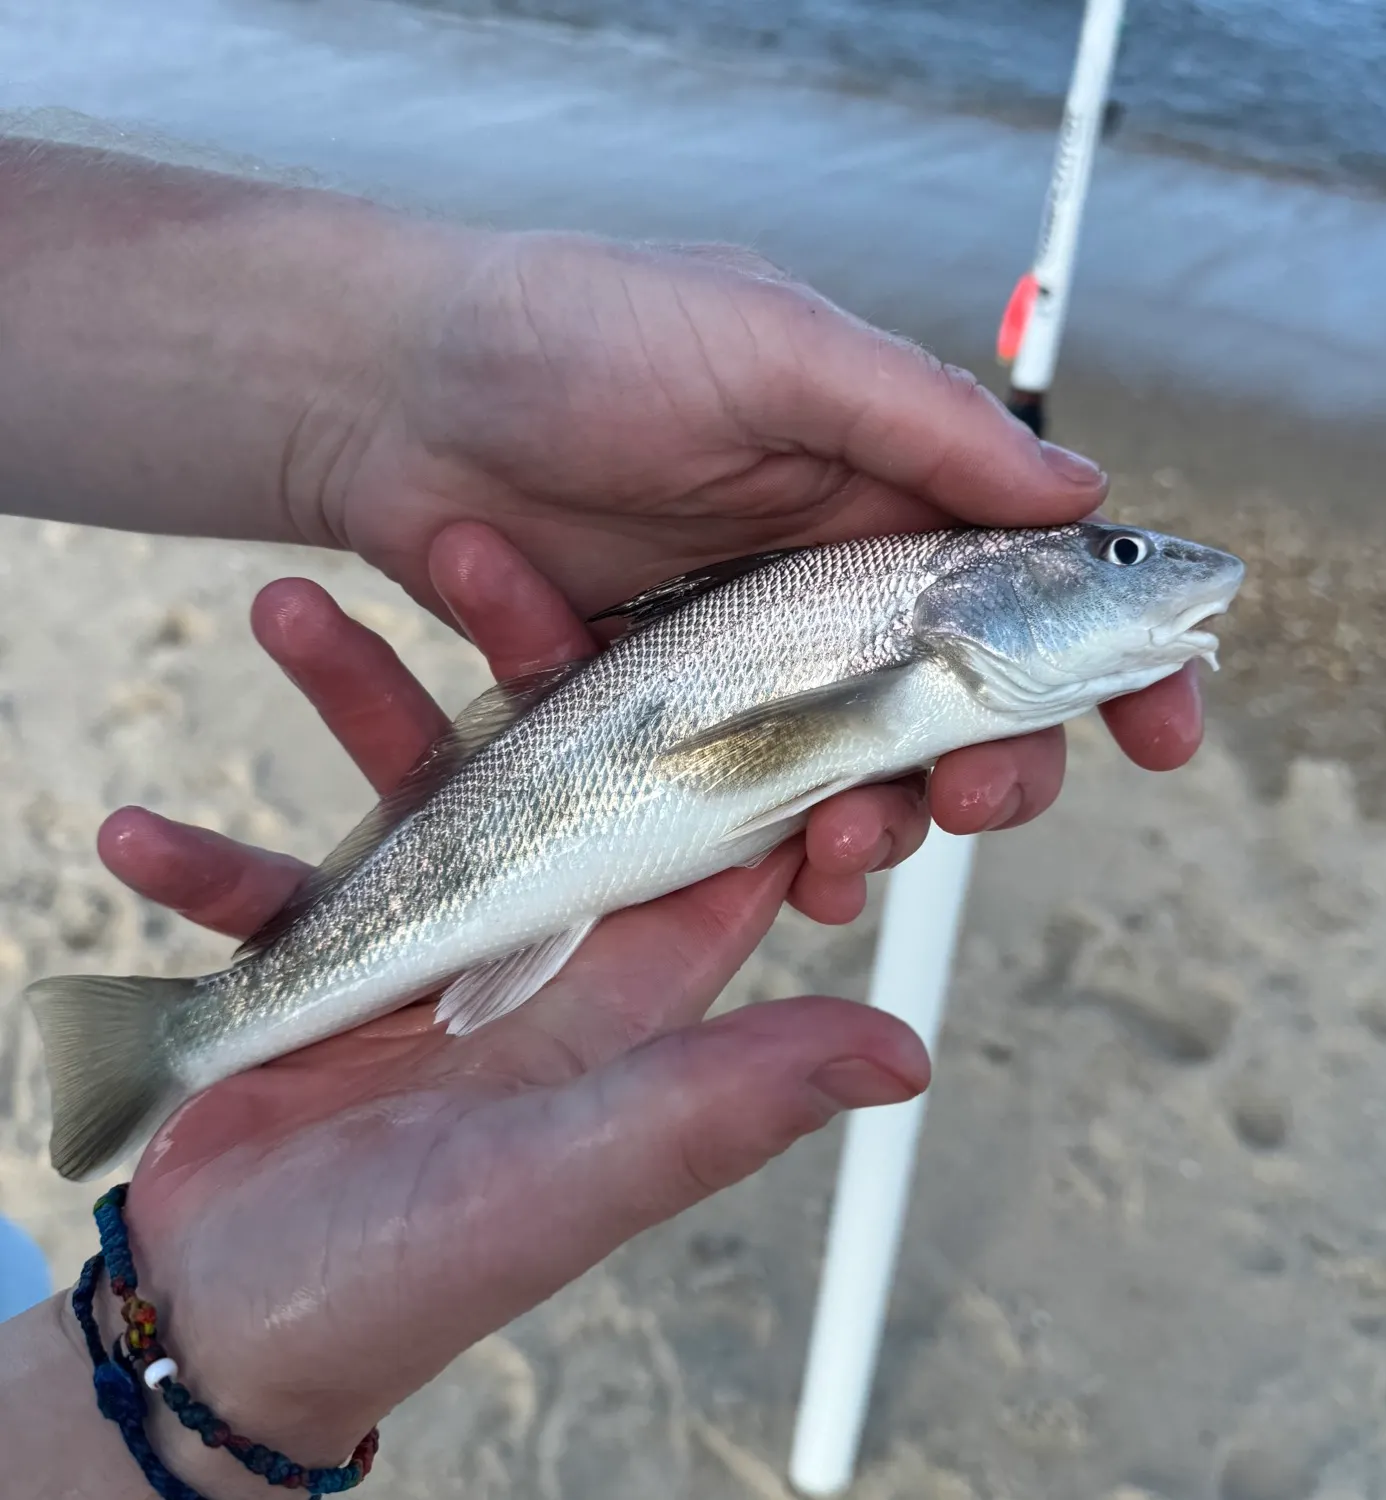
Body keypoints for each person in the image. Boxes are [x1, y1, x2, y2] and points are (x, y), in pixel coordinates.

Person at [0, 137, 1203, 1497]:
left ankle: (186, 1036)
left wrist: (391, 381)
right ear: (997, 584)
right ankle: (184, 1035)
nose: (1166, 575)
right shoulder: (912, 622)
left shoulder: (932, 649)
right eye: (1118, 556)